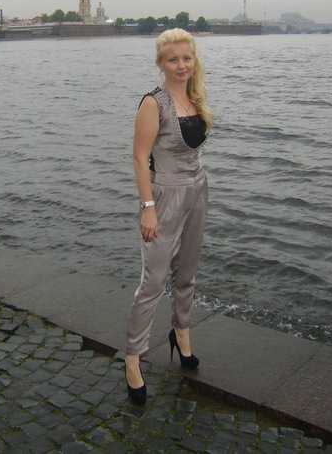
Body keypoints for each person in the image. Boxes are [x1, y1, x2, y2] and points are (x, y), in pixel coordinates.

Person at [125, 28, 214, 403]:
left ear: (194, 60)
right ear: (160, 63)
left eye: (187, 58)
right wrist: (148, 208)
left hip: (197, 191)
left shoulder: (195, 96)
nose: (181, 65)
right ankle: (133, 357)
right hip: (164, 197)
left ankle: (181, 333)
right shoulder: (154, 103)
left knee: (187, 273)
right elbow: (139, 158)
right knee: (154, 281)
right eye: (173, 59)